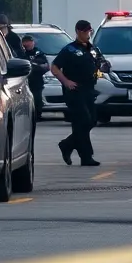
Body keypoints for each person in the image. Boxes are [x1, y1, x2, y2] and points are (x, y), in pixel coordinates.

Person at [50, 19, 111, 167]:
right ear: (78, 31)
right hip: (74, 90)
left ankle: (68, 145)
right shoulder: (69, 50)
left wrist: (104, 67)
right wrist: (66, 82)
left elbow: (101, 65)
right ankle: (86, 155)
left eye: (89, 31)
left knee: (91, 121)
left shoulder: (93, 49)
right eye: (85, 32)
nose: (88, 34)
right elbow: (55, 67)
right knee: (83, 121)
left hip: (89, 89)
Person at [21, 34, 49, 121]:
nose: (28, 44)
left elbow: (44, 64)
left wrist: (33, 64)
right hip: (24, 80)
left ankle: (38, 115)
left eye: (30, 42)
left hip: (36, 80)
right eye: (26, 42)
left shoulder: (38, 52)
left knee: (37, 98)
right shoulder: (21, 53)